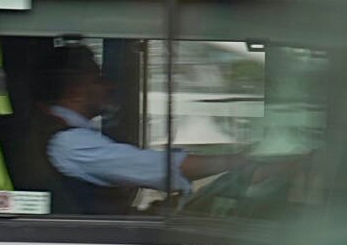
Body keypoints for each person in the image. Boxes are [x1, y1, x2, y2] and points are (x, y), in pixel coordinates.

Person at [21, 44, 245, 215]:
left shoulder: (62, 134)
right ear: (74, 92)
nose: (110, 86)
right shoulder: (69, 143)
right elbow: (162, 168)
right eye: (98, 80)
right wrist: (238, 161)